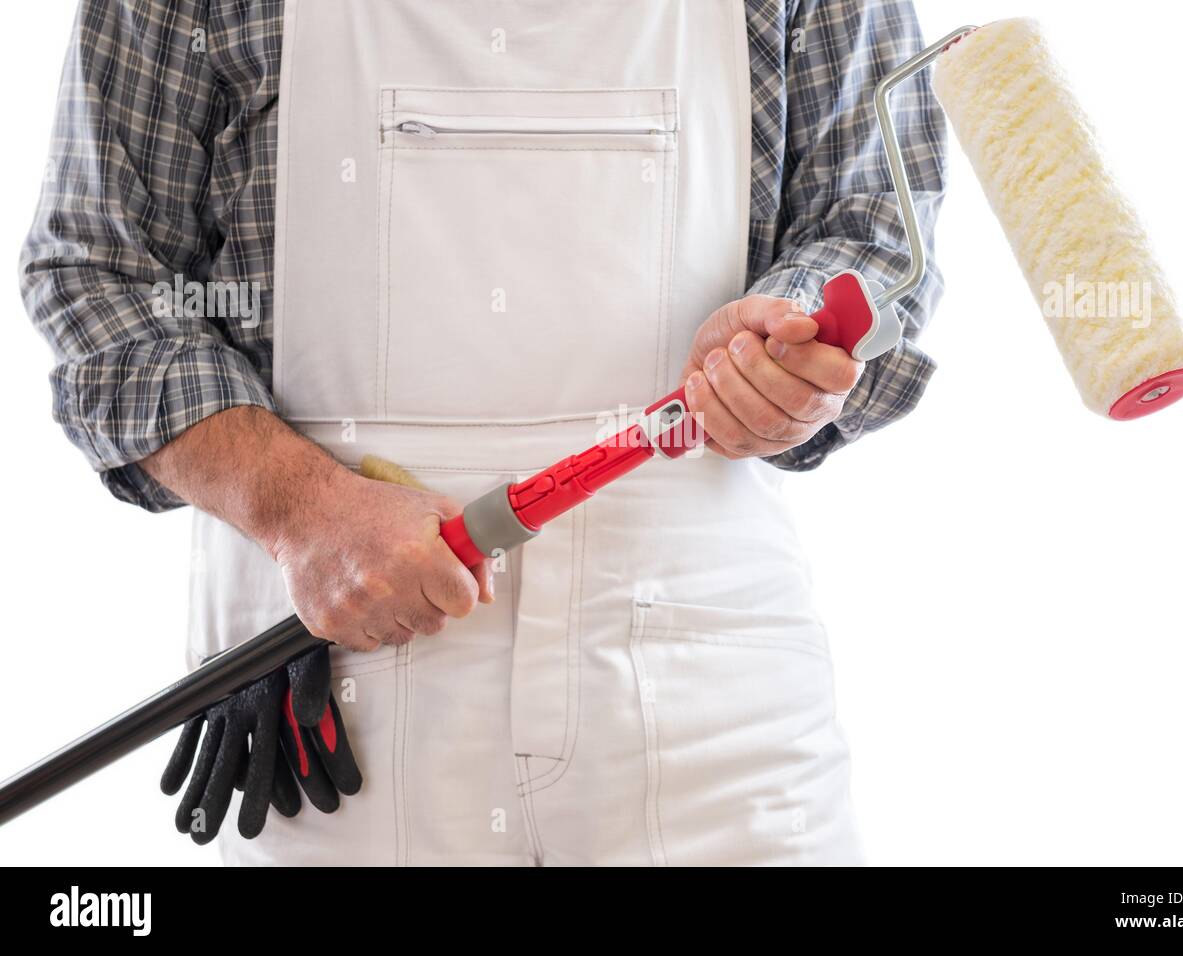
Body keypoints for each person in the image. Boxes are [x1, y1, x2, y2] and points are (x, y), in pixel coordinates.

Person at [19, 0, 945, 865]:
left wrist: (786, 346)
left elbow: (870, 231)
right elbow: (99, 271)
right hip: (339, 672)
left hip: (709, 688)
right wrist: (300, 509)